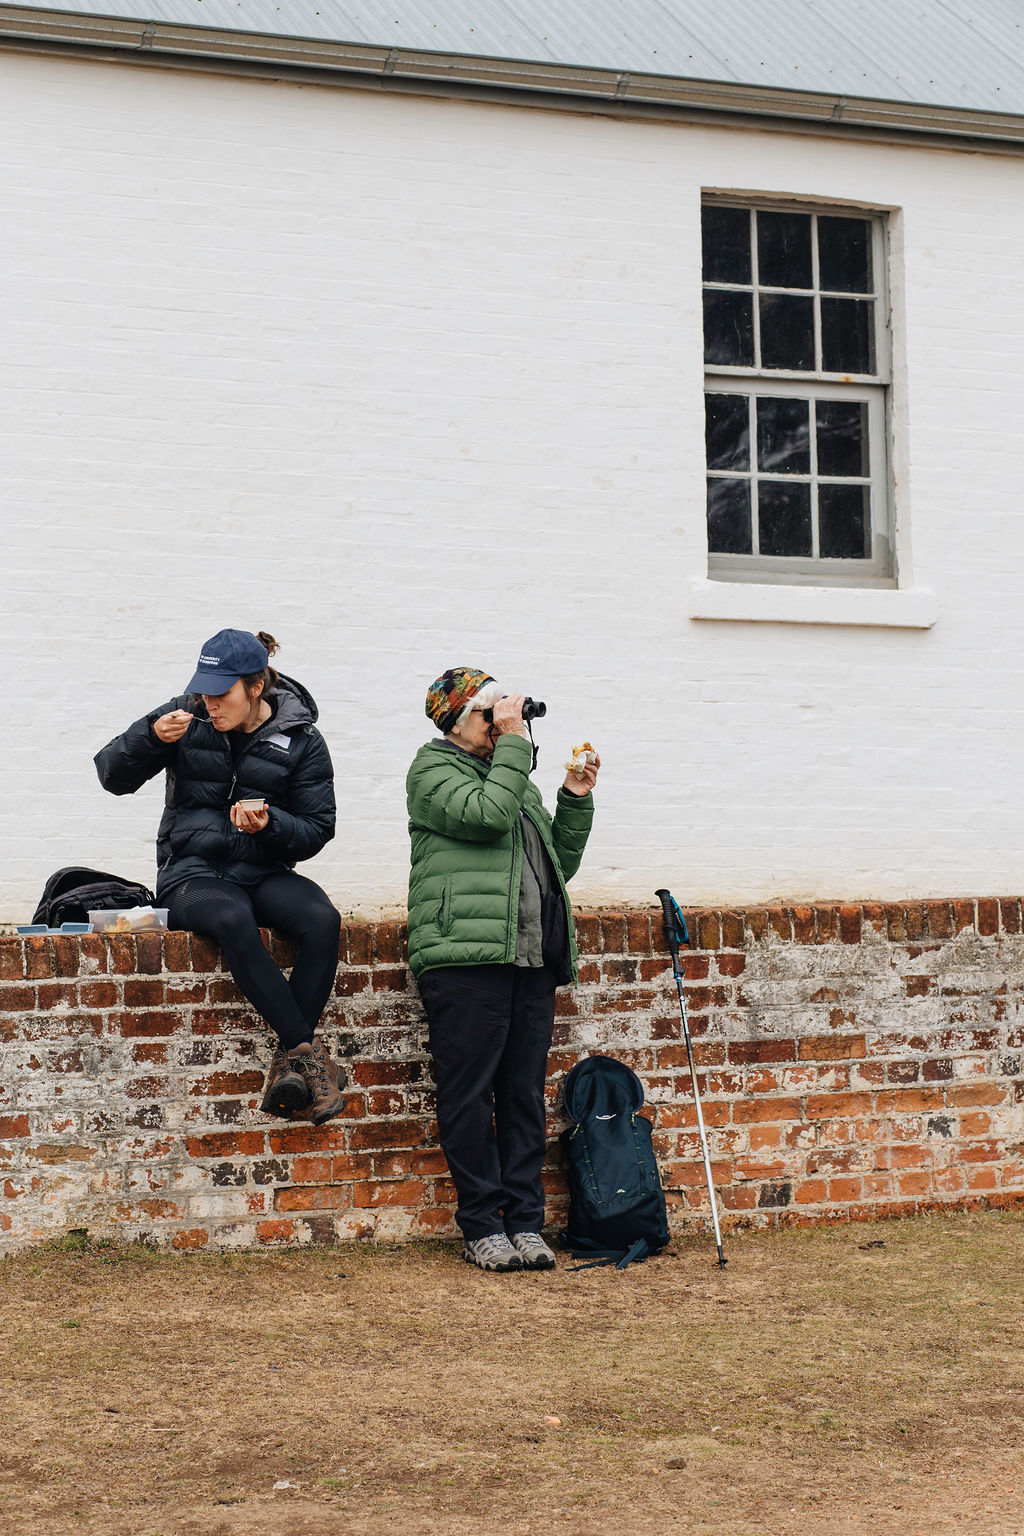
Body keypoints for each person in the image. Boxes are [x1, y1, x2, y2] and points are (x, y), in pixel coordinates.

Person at [95, 628, 345, 1124]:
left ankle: (289, 1065)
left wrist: (271, 823)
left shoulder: (301, 739)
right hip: (191, 872)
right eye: (205, 690)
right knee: (232, 916)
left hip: (262, 869)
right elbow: (111, 776)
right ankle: (306, 1056)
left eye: (221, 692)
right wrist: (148, 738)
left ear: (255, 686)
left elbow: (318, 828)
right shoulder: (183, 715)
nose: (210, 703)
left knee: (323, 918)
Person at [406, 667, 599, 1273]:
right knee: (468, 1096)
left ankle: (524, 1221)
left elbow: (557, 865)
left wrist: (572, 796)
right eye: (490, 715)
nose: (502, 725)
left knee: (522, 1097)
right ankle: (482, 1225)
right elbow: (487, 816)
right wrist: (516, 743)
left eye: (504, 714)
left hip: (529, 958)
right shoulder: (431, 773)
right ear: (456, 721)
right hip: (466, 958)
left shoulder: (517, 782)